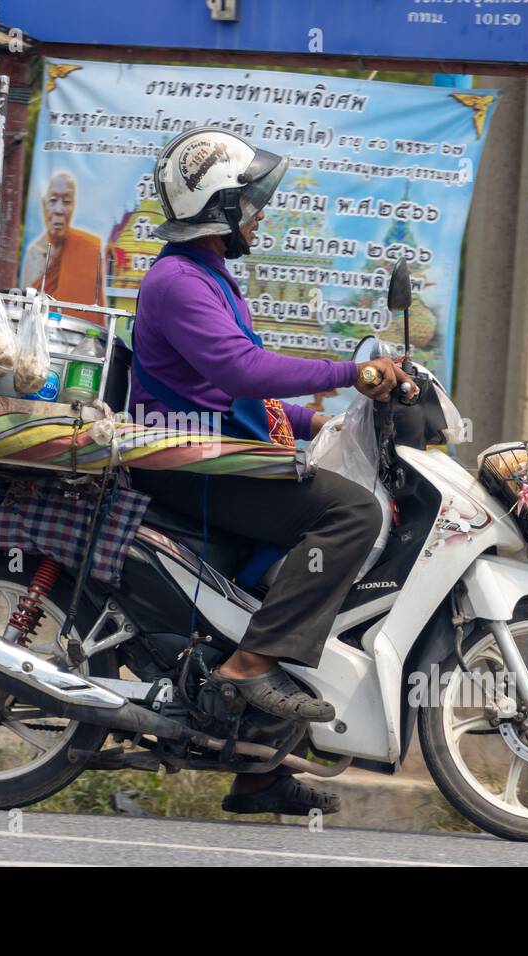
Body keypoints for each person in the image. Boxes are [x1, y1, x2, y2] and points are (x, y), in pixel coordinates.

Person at [130, 127, 415, 816]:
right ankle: (249, 667)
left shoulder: (206, 277)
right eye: (250, 200)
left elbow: (236, 388)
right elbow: (242, 371)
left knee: (296, 581)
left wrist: (323, 422)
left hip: (217, 452)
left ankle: (258, 769)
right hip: (190, 465)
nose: (259, 213)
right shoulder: (179, 281)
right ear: (219, 206)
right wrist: (356, 372)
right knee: (353, 514)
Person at [20, 171, 107, 324]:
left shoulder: (91, 248)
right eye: (53, 201)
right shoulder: (34, 254)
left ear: (74, 206)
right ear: (43, 205)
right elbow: (26, 310)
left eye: (66, 202)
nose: (59, 210)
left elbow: (95, 316)